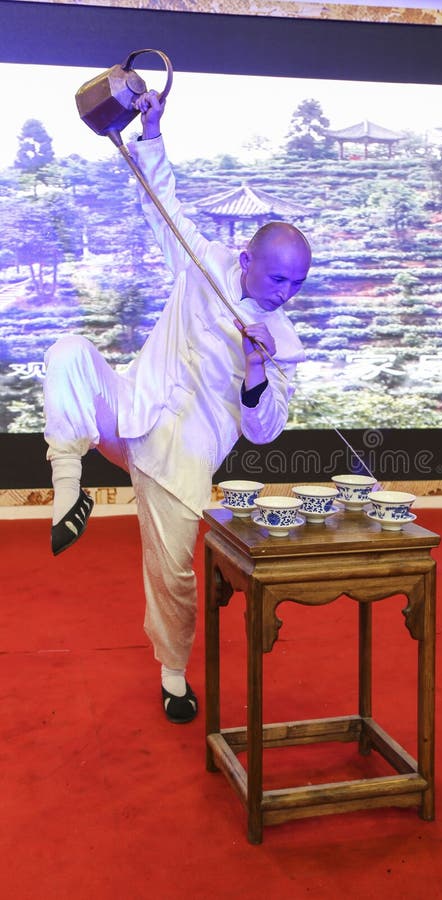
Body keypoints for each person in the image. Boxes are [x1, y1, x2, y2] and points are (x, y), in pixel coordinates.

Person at [43, 90, 311, 724]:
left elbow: (266, 430)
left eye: (299, 283)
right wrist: (152, 131)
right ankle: (66, 490)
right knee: (68, 352)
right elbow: (160, 203)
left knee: (174, 576)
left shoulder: (286, 344)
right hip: (129, 413)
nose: (287, 293)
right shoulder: (204, 264)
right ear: (247, 260)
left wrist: (255, 369)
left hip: (181, 459)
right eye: (278, 279)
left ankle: (172, 675)